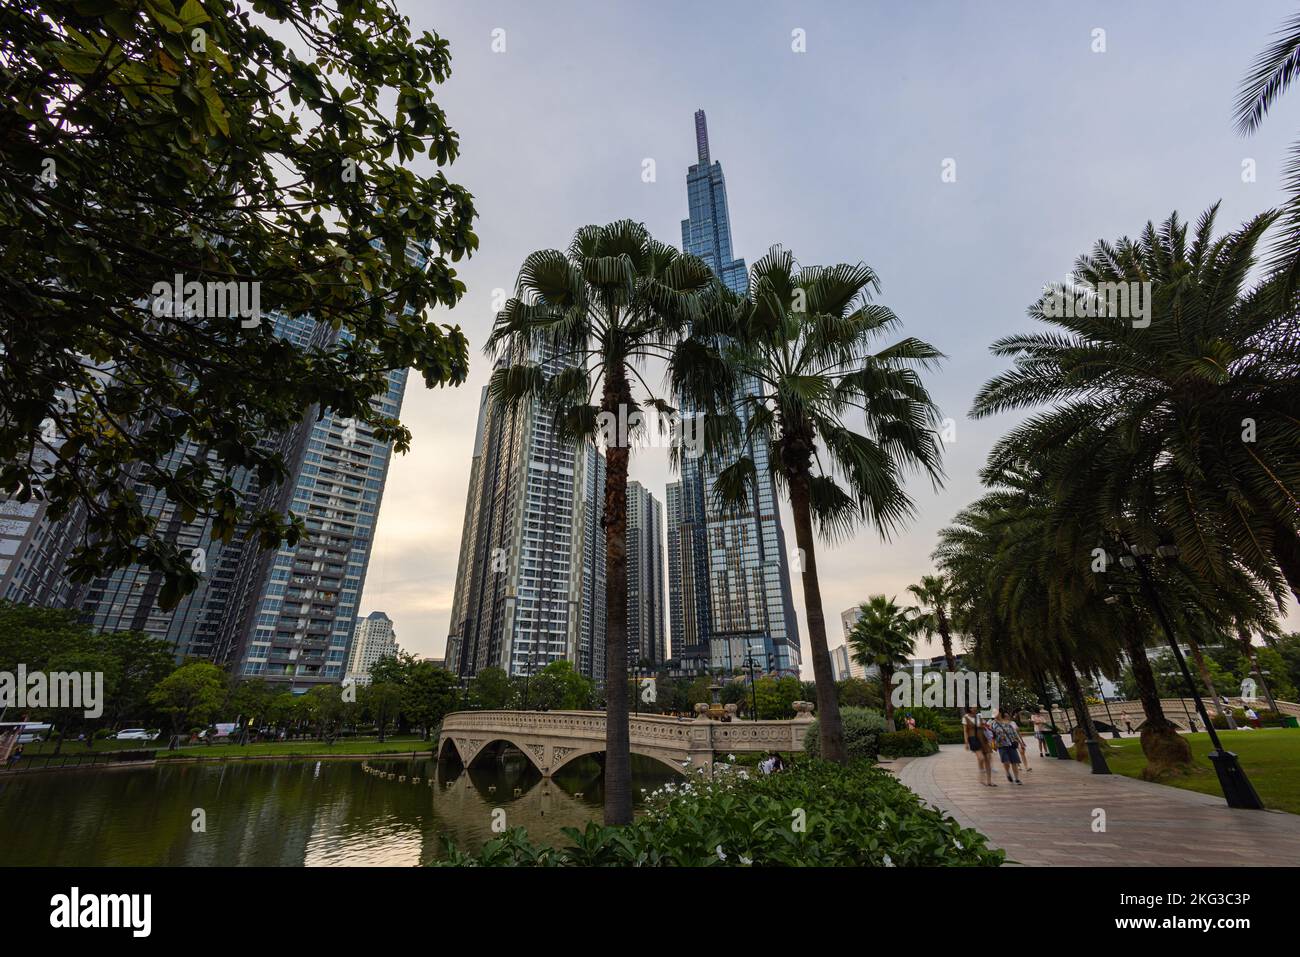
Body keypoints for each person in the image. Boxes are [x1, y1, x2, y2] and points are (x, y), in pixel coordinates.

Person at [962, 706, 994, 786]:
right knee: (981, 758)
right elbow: (965, 731)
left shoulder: (979, 716)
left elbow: (986, 727)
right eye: (973, 707)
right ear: (969, 708)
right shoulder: (965, 717)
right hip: (974, 739)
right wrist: (966, 742)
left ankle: (989, 781)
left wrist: (984, 726)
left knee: (988, 759)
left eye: (975, 707)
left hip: (984, 739)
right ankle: (981, 776)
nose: (975, 708)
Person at [991, 709, 1023, 785]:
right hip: (1001, 745)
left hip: (1011, 744)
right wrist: (993, 744)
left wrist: (1020, 742)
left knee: (1014, 762)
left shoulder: (1007, 722)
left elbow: (1014, 733)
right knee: (1006, 762)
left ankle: (1017, 779)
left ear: (1000, 713)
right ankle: (1008, 772)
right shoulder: (992, 724)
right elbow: (991, 735)